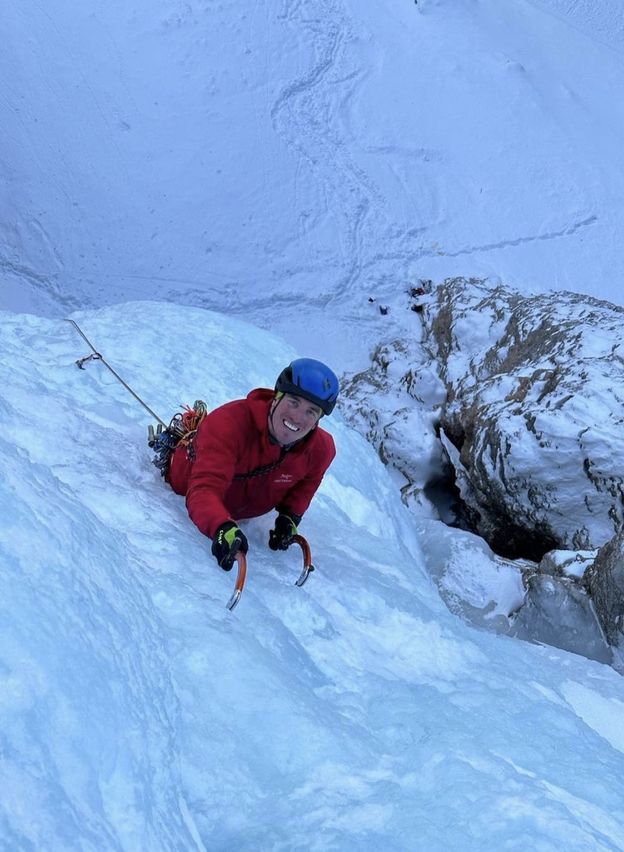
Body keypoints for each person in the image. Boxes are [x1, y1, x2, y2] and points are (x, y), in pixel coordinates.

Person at [167, 358, 339, 570]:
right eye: (293, 402)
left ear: (317, 421)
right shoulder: (228, 424)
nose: (297, 417)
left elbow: (307, 484)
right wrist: (221, 526)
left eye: (311, 411)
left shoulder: (321, 449)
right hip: (182, 482)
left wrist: (289, 517)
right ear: (275, 398)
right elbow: (203, 489)